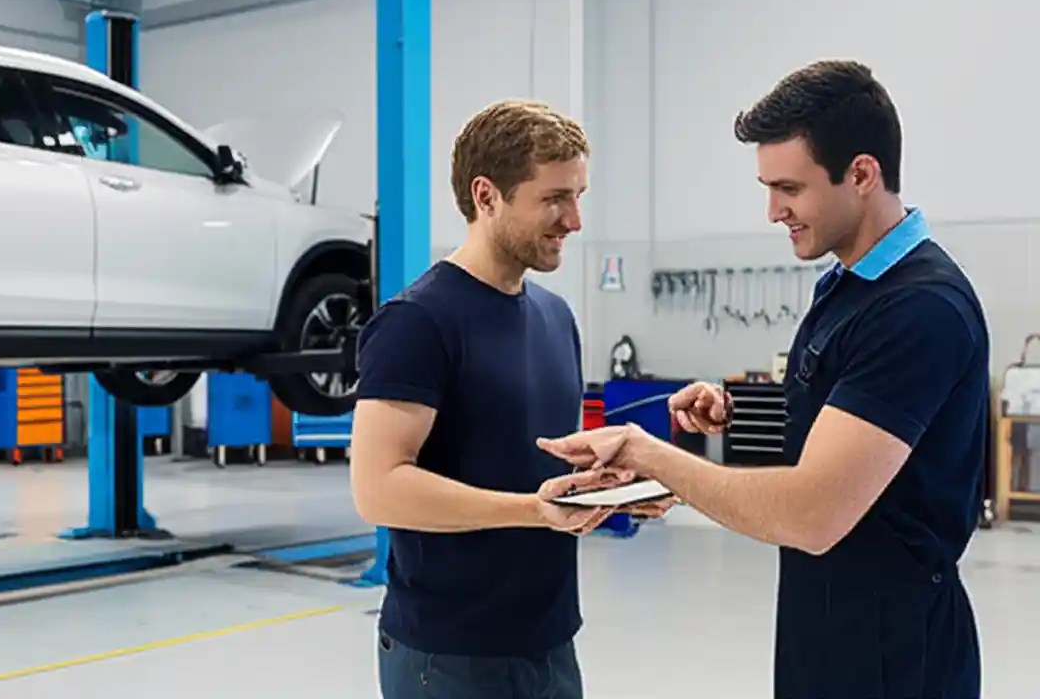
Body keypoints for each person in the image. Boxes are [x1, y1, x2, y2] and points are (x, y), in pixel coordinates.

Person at [538, 60, 989, 698]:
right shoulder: (849, 286)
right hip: (829, 626)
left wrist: (653, 457)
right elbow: (856, 426)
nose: (774, 210)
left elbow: (813, 511)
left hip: (893, 656)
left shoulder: (918, 307)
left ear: (861, 174)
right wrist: (736, 413)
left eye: (789, 188)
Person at [348, 99, 668, 699]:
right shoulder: (417, 322)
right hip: (450, 654)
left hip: (549, 639)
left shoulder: (556, 317)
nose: (574, 220)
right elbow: (377, 488)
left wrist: (616, 486)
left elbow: (538, 460)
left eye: (579, 196)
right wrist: (532, 510)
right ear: (486, 195)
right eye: (554, 199)